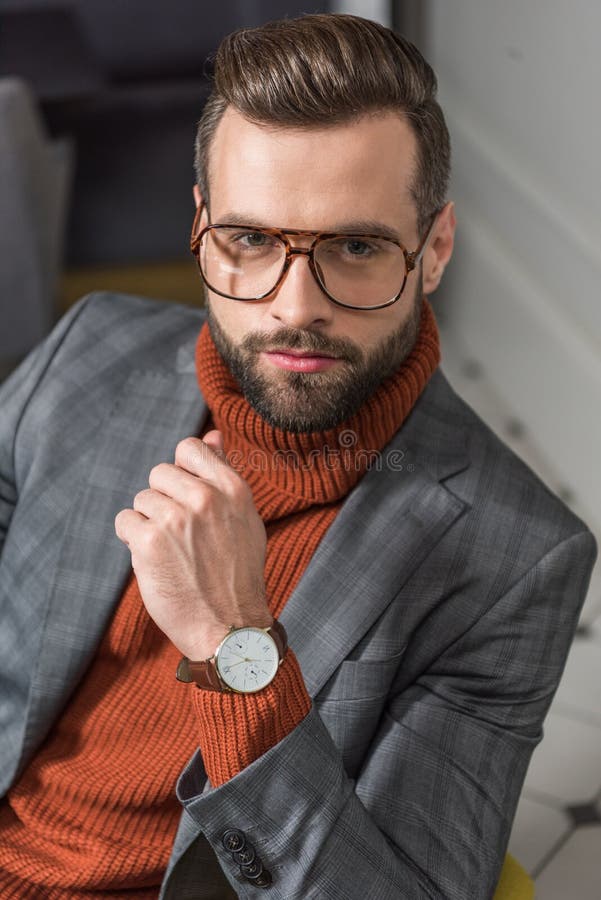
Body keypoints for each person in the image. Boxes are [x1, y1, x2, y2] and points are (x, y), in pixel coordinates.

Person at [0, 13, 596, 900]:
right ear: (202, 228)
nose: (293, 307)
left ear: (432, 249)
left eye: (355, 248)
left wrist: (235, 643)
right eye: (249, 241)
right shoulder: (89, 350)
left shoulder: (515, 557)